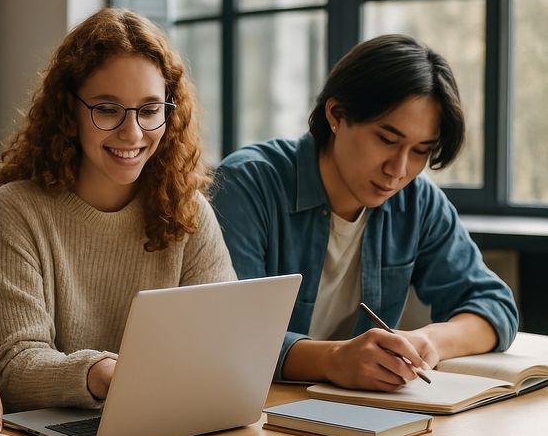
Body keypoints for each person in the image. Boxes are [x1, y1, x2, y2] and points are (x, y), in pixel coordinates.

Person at [213, 34, 518, 391]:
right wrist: (335, 360)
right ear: (337, 114)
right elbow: (232, 336)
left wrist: (430, 341)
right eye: (387, 140)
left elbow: (494, 305)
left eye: (420, 150)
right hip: (254, 408)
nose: (399, 170)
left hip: (357, 414)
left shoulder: (416, 201)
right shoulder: (246, 185)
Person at [0, 7, 237, 412]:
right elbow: (14, 365)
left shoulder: (188, 212)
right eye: (107, 109)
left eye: (150, 110)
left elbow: (226, 342)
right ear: (69, 112)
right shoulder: (19, 209)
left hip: (168, 423)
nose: (132, 133)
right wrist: (99, 373)